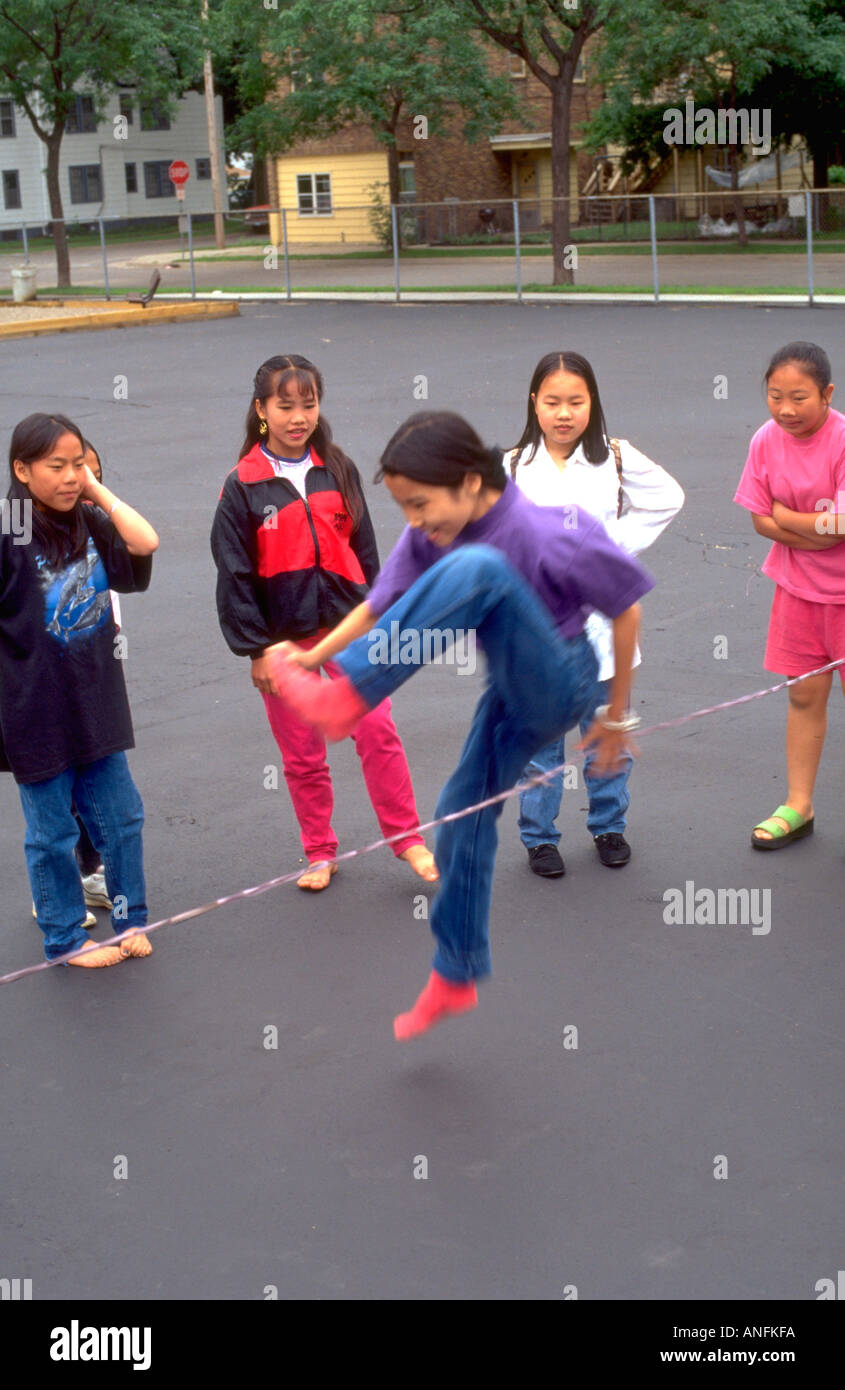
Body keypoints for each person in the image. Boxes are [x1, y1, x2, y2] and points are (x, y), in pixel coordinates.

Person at [267, 411, 653, 1039]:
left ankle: (348, 701)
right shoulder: (432, 531)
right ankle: (456, 972)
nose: (416, 523)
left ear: (472, 482)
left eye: (420, 505)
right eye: (405, 509)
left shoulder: (553, 530)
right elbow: (380, 605)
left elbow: (626, 611)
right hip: (508, 693)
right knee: (458, 814)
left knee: (481, 570)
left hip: (563, 681)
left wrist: (613, 716)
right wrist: (311, 658)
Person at [210, 354, 437, 891]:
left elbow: (365, 547)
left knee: (379, 730)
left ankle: (407, 838)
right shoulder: (242, 485)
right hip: (283, 643)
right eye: (284, 406)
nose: (298, 416)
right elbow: (234, 574)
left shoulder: (337, 468)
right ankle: (319, 852)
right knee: (302, 753)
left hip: (348, 632)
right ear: (261, 409)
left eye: (307, 404)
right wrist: (256, 649)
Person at [508, 351, 684, 876]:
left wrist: (609, 550)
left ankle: (609, 827)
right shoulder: (511, 466)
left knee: (608, 733)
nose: (565, 413)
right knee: (541, 751)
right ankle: (540, 839)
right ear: (534, 404)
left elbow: (669, 499)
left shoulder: (617, 457)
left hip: (606, 629)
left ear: (593, 403)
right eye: (553, 401)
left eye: (576, 402)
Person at [1, 413, 158, 967]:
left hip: (96, 701)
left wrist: (94, 488)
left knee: (122, 817)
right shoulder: (10, 528)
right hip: (34, 709)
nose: (70, 476)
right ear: (21, 469)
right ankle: (64, 939)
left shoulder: (87, 519)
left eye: (78, 465)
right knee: (51, 833)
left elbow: (146, 541)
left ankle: (131, 917)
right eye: (56, 466)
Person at [734, 341, 845, 849]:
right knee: (803, 696)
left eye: (799, 397)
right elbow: (760, 520)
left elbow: (840, 525)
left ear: (826, 393)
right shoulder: (766, 439)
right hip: (798, 593)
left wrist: (789, 518)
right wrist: (817, 531)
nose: (785, 409)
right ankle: (799, 803)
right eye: (775, 396)